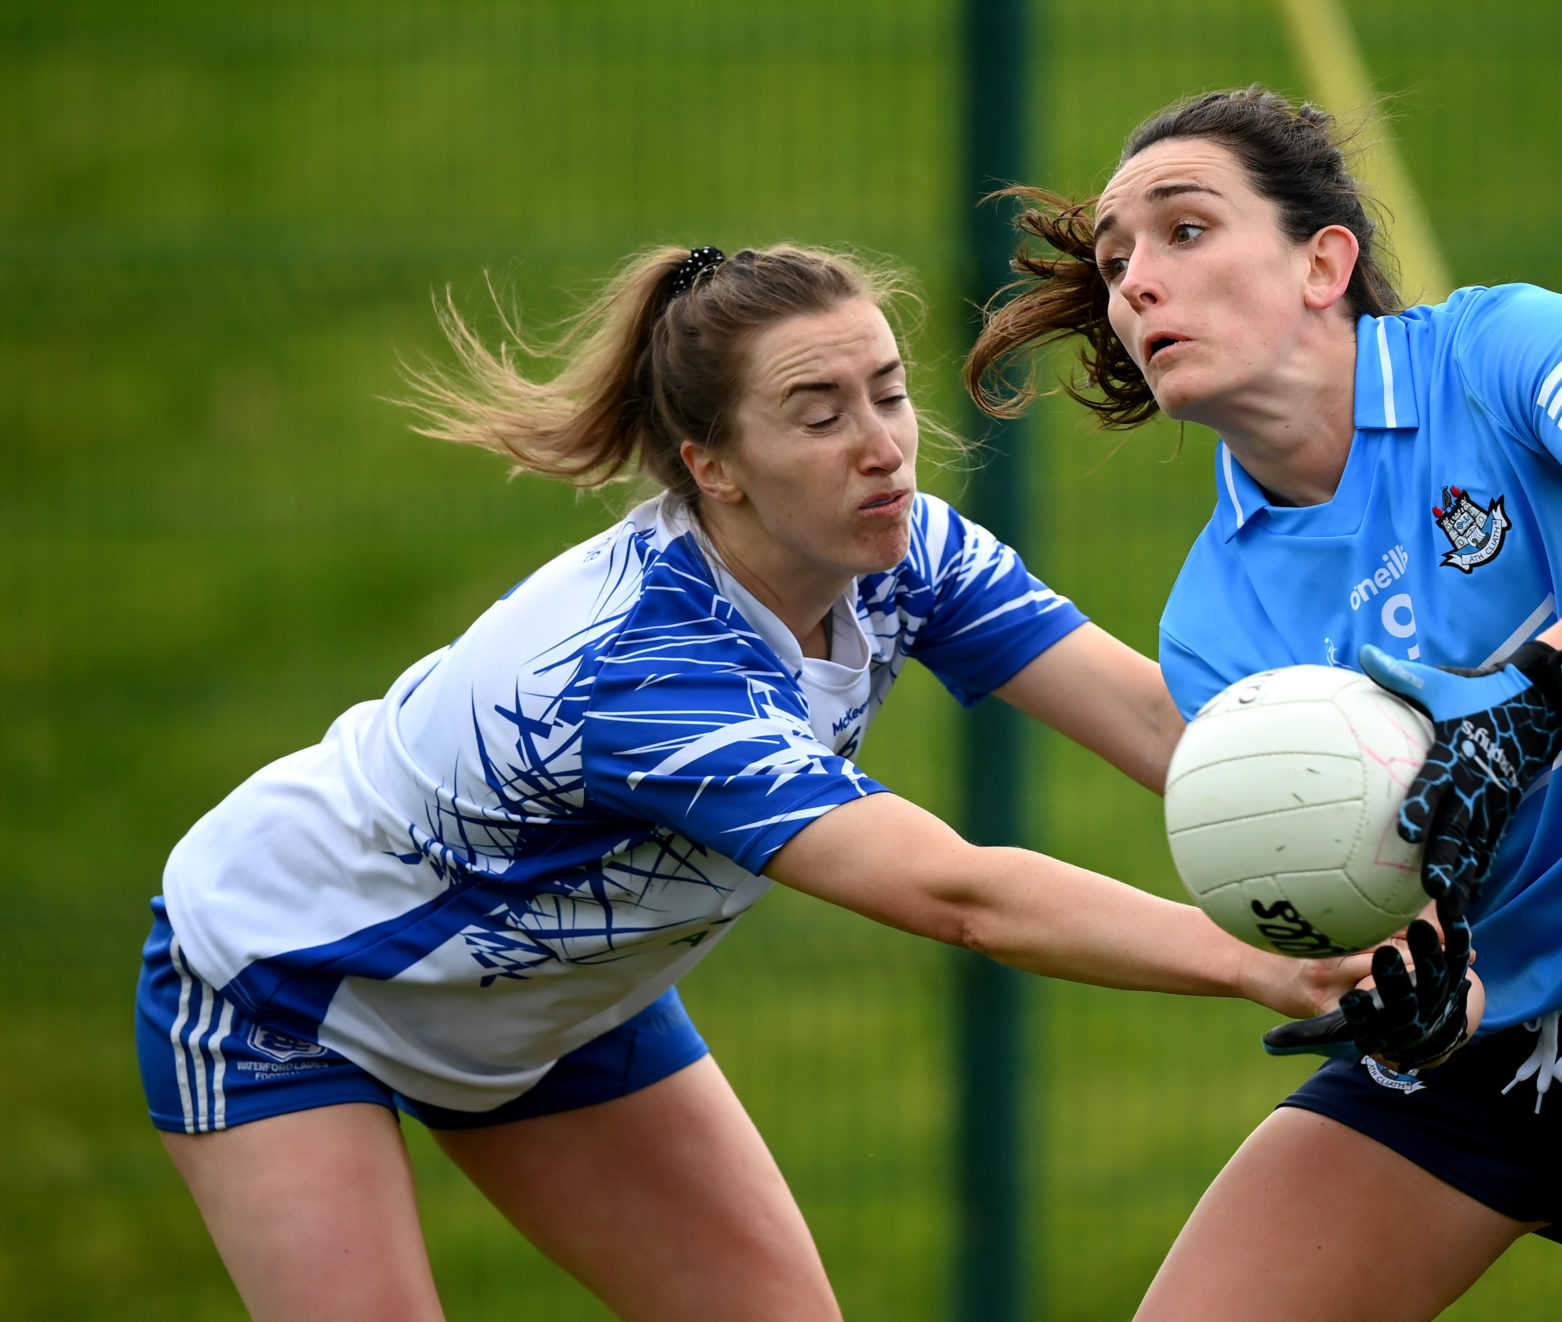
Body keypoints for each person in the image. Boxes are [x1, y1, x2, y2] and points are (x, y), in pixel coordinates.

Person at [136, 241, 1377, 1322]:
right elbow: (960, 895)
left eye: (887, 392)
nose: (883, 446)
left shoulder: (906, 548)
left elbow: (1165, 727)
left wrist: (1382, 838)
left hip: (562, 1004)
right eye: (818, 411)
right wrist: (1259, 958)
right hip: (286, 994)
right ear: (713, 466)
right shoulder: (643, 674)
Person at [968, 88, 1562, 1322]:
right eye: (1114, 259)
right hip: (1506, 1015)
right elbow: (1396, 905)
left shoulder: (1498, 351)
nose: (1135, 281)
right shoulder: (1215, 626)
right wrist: (1415, 1000)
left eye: (1183, 230)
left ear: (1324, 262)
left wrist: (1540, 699)